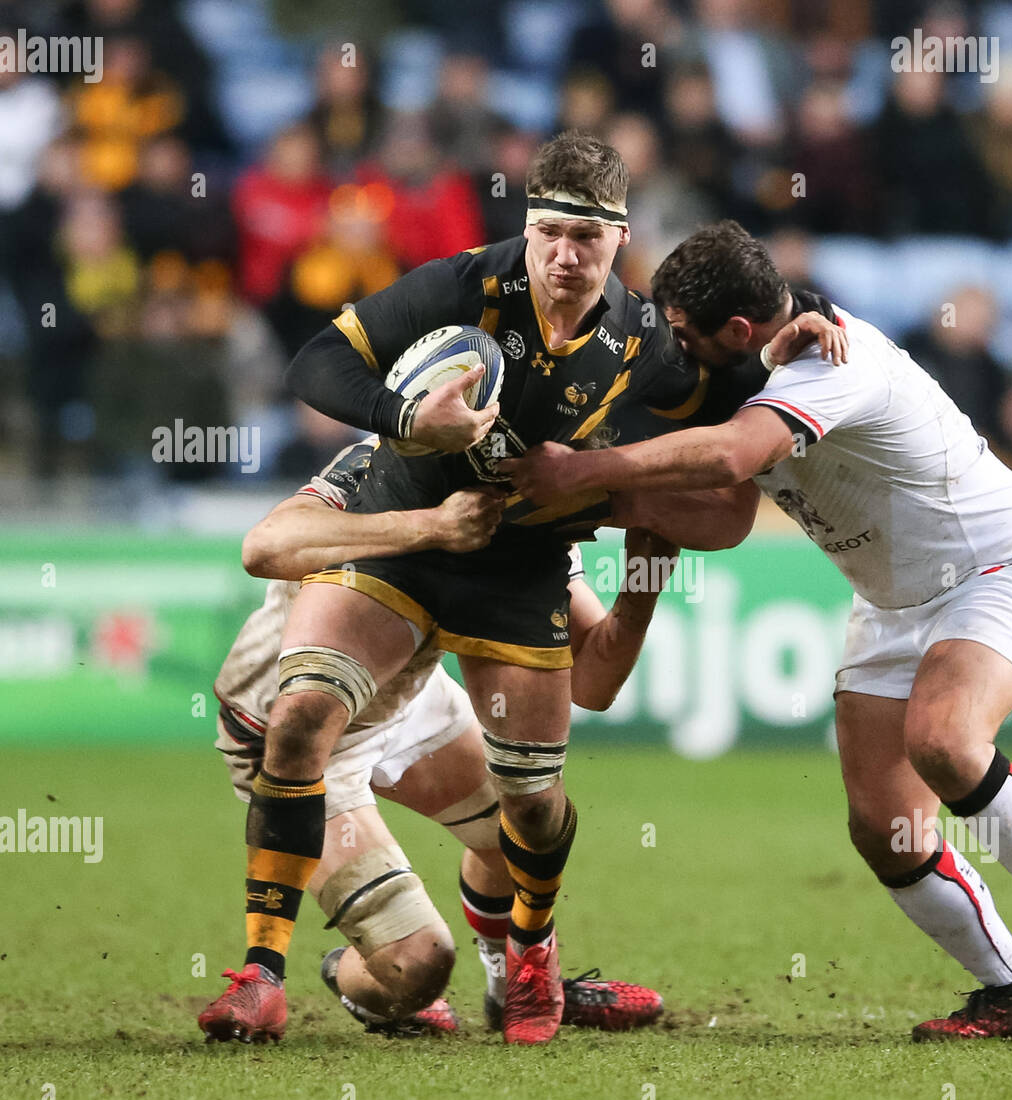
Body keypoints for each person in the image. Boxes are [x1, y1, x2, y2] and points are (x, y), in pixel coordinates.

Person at [207, 131, 838, 1046]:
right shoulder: (421, 382)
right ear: (526, 229)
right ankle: (267, 974)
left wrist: (791, 336)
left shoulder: (616, 375)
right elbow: (272, 521)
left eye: (586, 235)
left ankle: (523, 975)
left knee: (528, 816)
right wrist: (403, 422)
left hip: (429, 667)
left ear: (621, 240)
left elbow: (607, 668)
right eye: (547, 231)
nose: (564, 254)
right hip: (311, 694)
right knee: (410, 948)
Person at [506, 221, 1012, 1040]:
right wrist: (611, 503)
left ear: (736, 331)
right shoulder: (748, 366)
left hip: (1001, 569)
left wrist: (580, 474)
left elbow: (735, 458)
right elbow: (728, 518)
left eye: (685, 335)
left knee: (944, 738)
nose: (673, 349)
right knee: (885, 827)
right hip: (891, 603)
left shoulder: (837, 361)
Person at [199, 435, 730, 1041]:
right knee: (419, 967)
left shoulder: (533, 495)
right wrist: (433, 526)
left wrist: (644, 579)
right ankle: (336, 983)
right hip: (288, 731)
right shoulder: (383, 458)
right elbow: (265, 546)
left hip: (409, 702)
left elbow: (595, 680)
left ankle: (520, 984)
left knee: (524, 824)